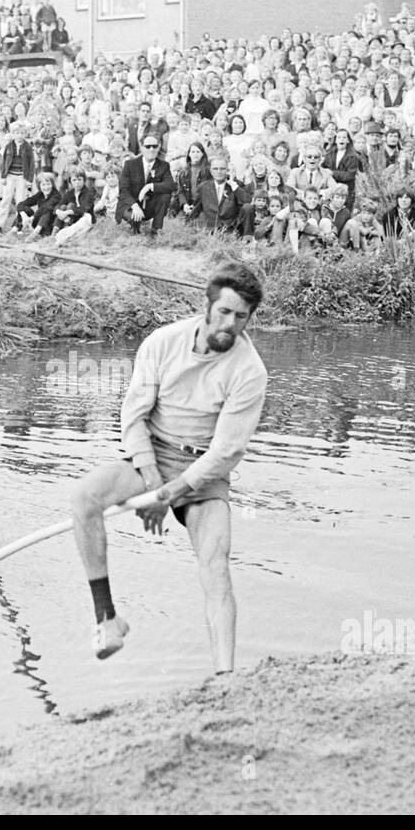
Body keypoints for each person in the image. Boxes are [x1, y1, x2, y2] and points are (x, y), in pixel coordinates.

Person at [68, 264, 268, 671]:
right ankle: (107, 619)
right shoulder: (163, 342)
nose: (230, 324)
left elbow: (226, 453)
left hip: (204, 472)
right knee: (84, 497)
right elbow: (133, 417)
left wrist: (168, 495)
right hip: (154, 455)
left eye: (241, 316)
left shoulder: (250, 371)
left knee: (216, 562)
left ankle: (224, 675)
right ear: (207, 307)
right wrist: (154, 482)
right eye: (224, 312)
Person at [116, 134, 174, 237]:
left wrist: (150, 186)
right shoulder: (130, 165)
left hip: (149, 205)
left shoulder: (164, 166)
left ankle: (156, 230)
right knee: (135, 221)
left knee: (165, 195)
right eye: (148, 146)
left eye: (154, 146)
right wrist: (135, 206)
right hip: (130, 205)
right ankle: (135, 230)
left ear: (159, 147)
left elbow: (170, 185)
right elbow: (123, 190)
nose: (151, 149)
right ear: (142, 147)